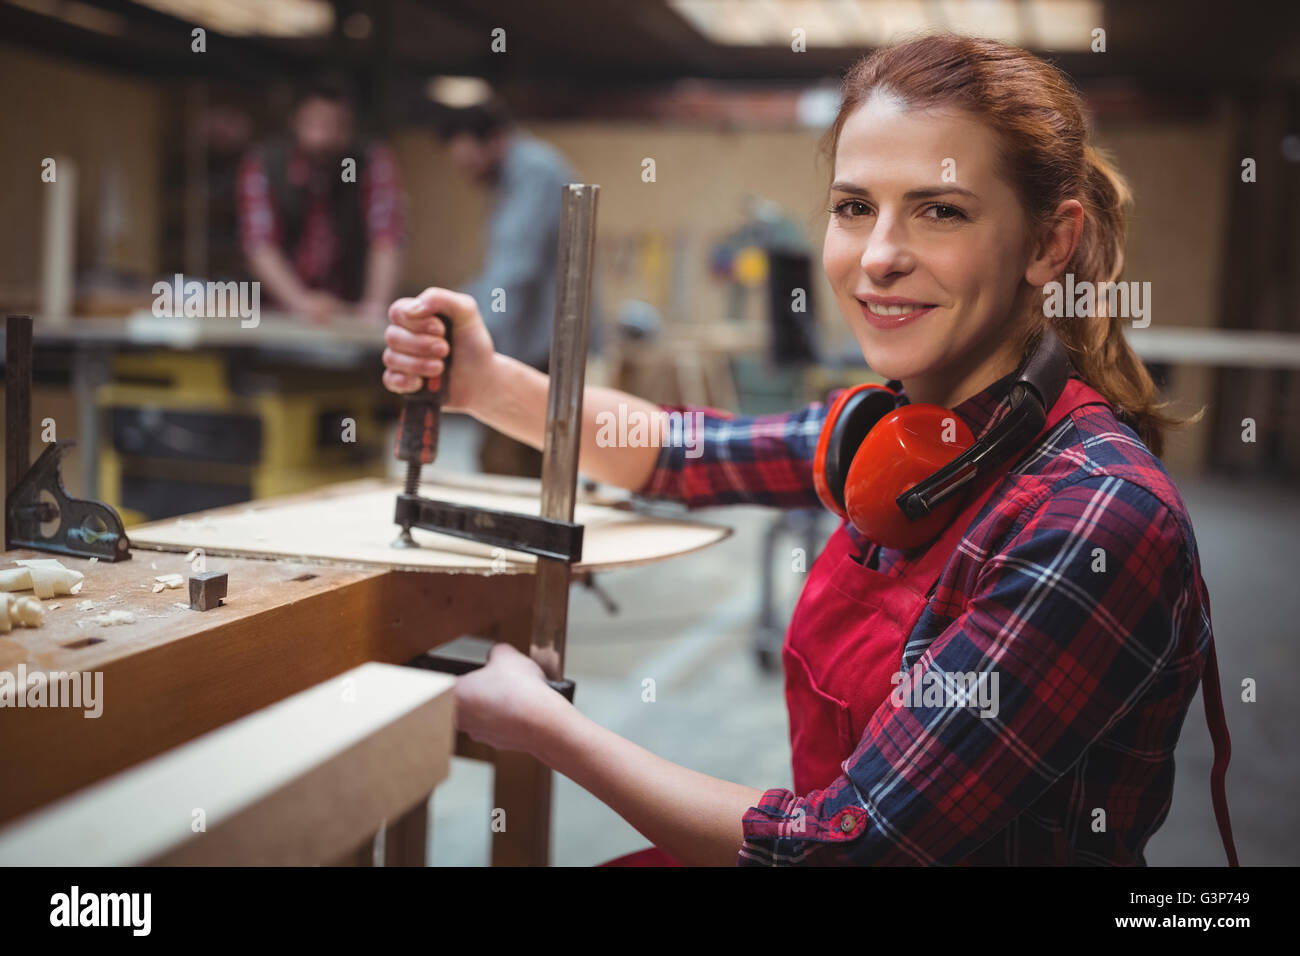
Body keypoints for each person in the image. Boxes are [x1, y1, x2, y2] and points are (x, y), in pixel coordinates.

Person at [380, 35, 1236, 866]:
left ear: (1050, 242)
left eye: (940, 211)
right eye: (854, 207)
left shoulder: (1095, 516)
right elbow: (681, 451)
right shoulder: (897, 431)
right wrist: (485, 385)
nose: (879, 256)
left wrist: (545, 727)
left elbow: (851, 843)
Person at [430, 89, 599, 477]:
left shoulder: (532, 172)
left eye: (468, 160)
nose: (466, 172)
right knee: (516, 464)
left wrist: (474, 334)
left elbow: (513, 271)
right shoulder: (512, 177)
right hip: (532, 345)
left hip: (541, 351)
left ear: (495, 140)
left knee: (511, 468)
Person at [238, 75, 405, 323]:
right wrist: (302, 304)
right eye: (313, 124)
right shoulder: (266, 163)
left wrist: (374, 308)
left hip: (351, 310)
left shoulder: (367, 161)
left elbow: (386, 238)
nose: (322, 137)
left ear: (350, 127)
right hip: (276, 314)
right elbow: (260, 245)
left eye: (334, 126)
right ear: (294, 122)